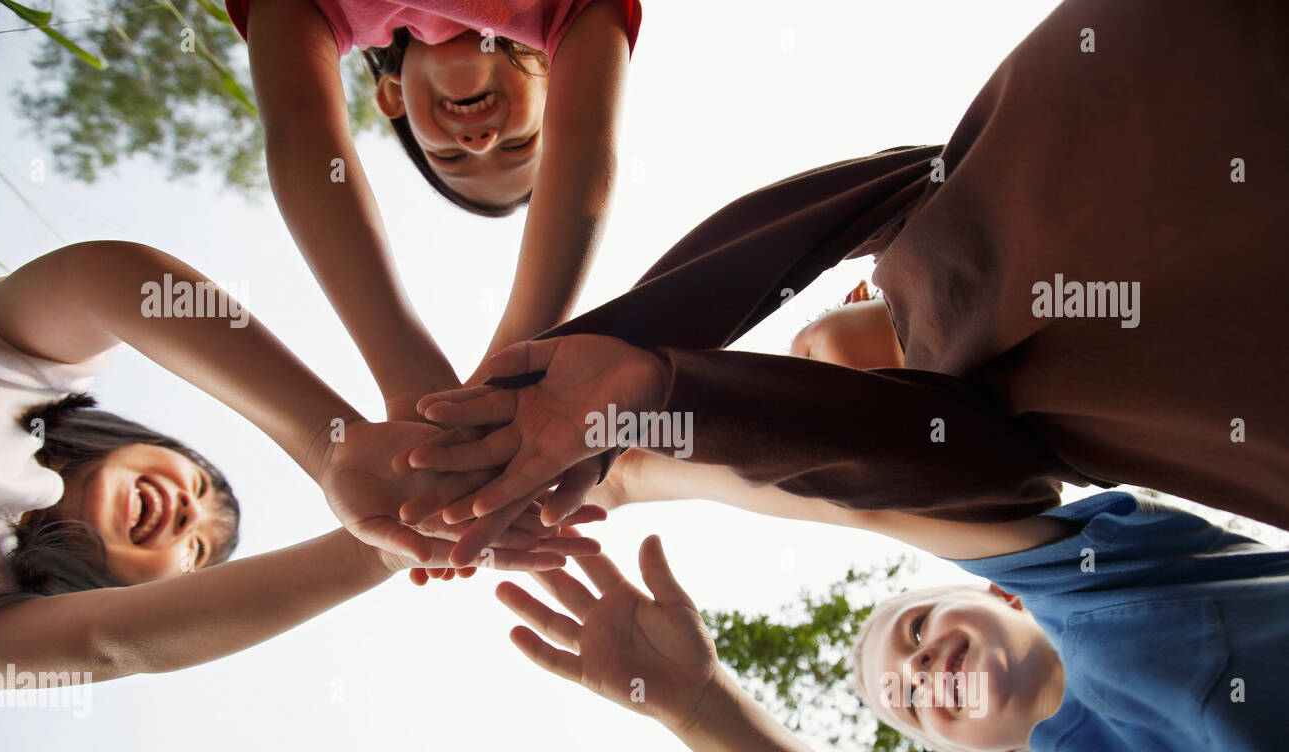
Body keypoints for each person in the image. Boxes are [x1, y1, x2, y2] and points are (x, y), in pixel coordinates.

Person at [400, 0, 1289, 565]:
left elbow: (804, 230)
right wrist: (656, 397)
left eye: (802, 350)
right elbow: (872, 453)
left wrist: (640, 345)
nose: (807, 367)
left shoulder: (936, 205)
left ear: (859, 288)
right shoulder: (1001, 450)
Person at [496, 479, 1289, 752]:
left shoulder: (1093, 576)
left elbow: (862, 500)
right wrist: (705, 710)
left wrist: (631, 472)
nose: (917, 668)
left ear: (1003, 591)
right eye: (908, 705)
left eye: (915, 627)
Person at [0, 241, 595, 684]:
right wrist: (324, 442)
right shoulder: (21, 376)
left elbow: (111, 644)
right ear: (134, 441)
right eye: (199, 484)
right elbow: (103, 281)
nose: (187, 515)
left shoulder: (0, 626)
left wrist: (376, 550)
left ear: (129, 594)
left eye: (194, 553)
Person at [225, 0, 641, 417]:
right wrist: (511, 366)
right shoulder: (566, 13)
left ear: (391, 96)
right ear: (557, 78)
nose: (478, 144)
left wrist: (408, 376)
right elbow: (583, 145)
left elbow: (300, 130)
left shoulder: (323, 11)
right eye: (518, 145)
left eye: (449, 158)